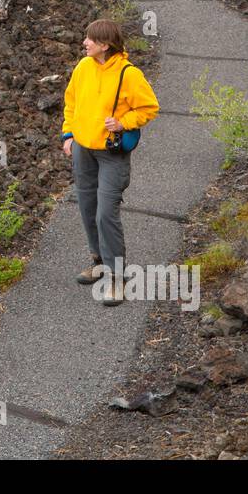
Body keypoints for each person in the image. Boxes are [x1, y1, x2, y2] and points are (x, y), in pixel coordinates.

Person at [61, 19, 159, 306]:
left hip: (112, 154)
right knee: (88, 207)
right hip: (82, 150)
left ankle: (116, 278)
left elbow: (149, 107)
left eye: (90, 40)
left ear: (105, 45)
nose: (85, 43)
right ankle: (98, 261)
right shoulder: (83, 67)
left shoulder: (129, 74)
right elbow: (71, 102)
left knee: (106, 212)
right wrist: (69, 135)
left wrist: (123, 122)